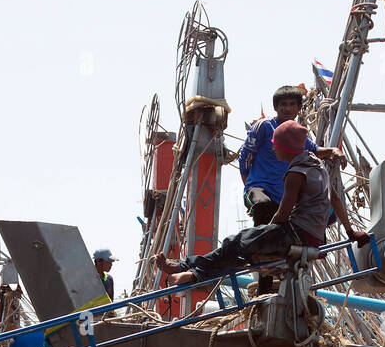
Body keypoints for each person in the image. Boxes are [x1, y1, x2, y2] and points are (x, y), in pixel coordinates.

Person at [155, 121, 367, 285]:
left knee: (235, 242)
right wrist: (350, 232)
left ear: (286, 148)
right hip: (312, 238)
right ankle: (190, 271)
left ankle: (186, 270)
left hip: (295, 235)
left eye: (276, 146)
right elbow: (336, 200)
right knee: (243, 249)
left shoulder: (295, 173)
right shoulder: (318, 166)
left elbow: (282, 214)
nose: (274, 150)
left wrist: (265, 232)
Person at [238, 85, 344, 224]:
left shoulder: (297, 134)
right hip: (260, 189)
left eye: (292, 104)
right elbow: (244, 161)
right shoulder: (263, 127)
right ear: (276, 107)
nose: (288, 109)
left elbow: (315, 150)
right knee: (263, 206)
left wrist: (334, 151)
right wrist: (251, 190)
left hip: (283, 195)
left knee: (326, 216)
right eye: (283, 104)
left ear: (299, 108)